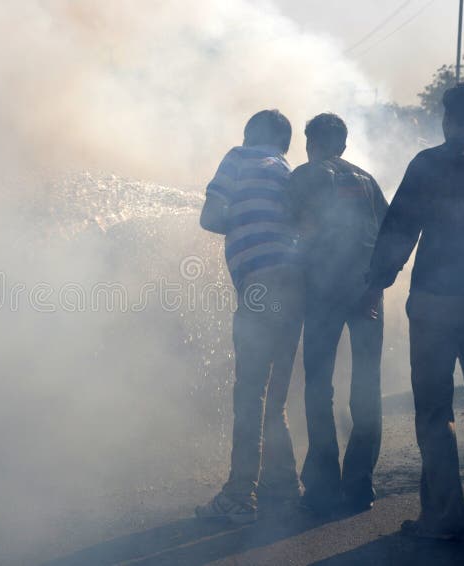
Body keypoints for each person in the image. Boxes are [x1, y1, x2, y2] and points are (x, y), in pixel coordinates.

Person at [366, 82, 464, 540]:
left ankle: (442, 517)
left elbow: (400, 228)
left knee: (435, 406)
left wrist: (376, 281)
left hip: (436, 300)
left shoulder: (430, 163)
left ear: (446, 116)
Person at [195, 110, 304, 524]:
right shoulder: (288, 171)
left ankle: (240, 495)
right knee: (275, 394)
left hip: (260, 285)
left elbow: (210, 216)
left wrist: (236, 222)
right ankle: (282, 485)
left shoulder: (238, 157)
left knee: (249, 393)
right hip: (294, 285)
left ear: (250, 134)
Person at [288, 113, 388, 514]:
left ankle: (323, 485)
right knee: (366, 388)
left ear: (310, 142)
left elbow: (294, 229)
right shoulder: (368, 181)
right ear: (343, 145)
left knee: (318, 387)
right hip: (367, 295)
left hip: (324, 293)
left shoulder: (306, 175)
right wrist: (376, 287)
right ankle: (360, 485)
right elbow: (392, 235)